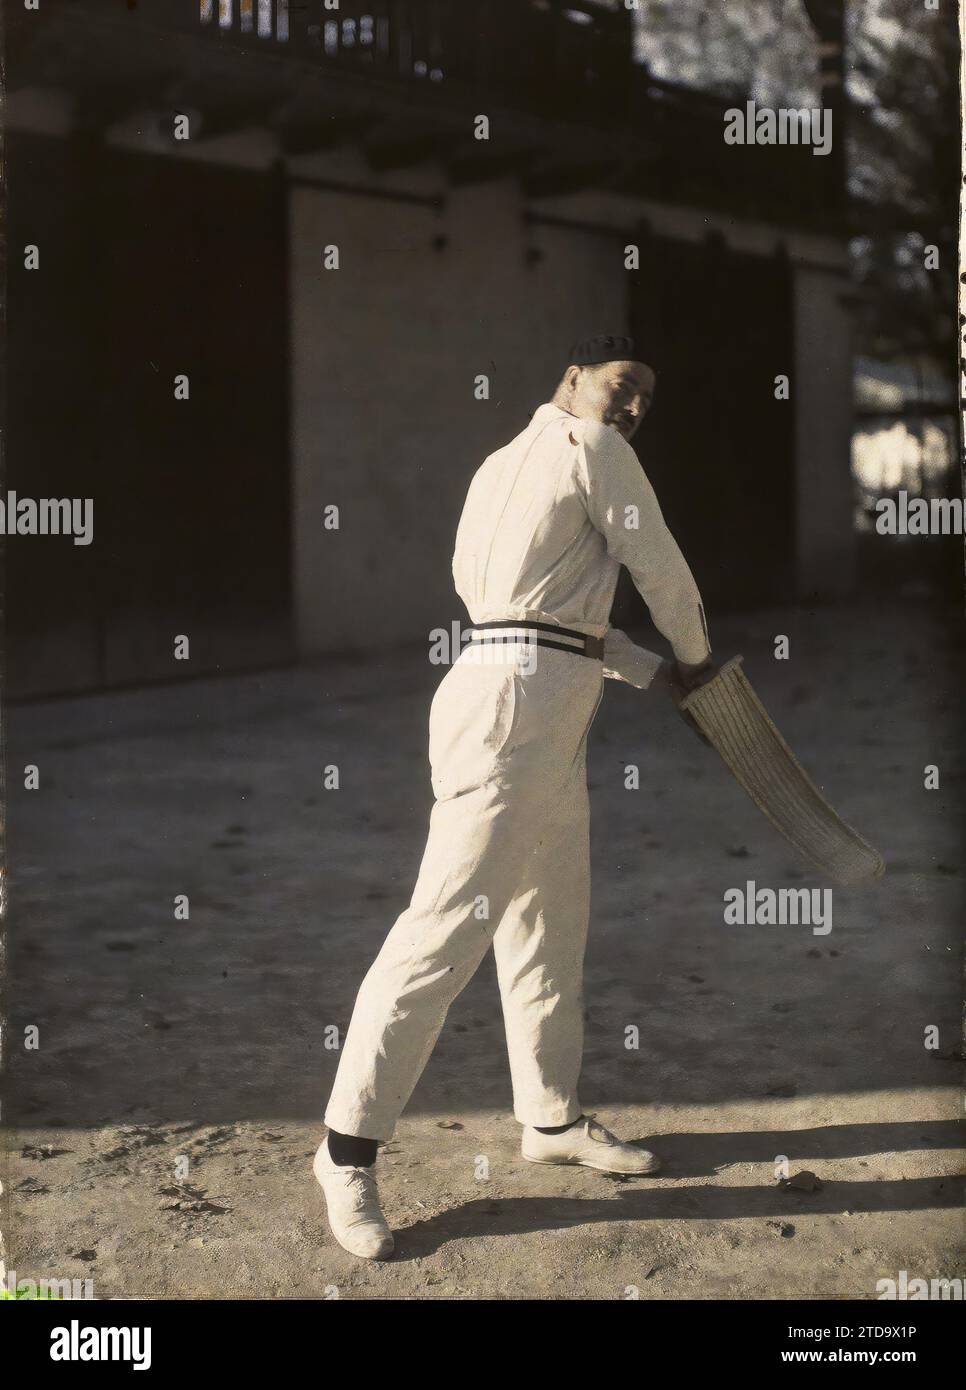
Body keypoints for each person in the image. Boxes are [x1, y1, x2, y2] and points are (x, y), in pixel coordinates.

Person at [315, 334, 716, 1260]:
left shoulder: (497, 467)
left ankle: (549, 1119)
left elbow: (547, 619)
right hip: (513, 711)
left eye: (647, 397)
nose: (634, 407)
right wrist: (699, 665)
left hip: (517, 690)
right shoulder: (595, 450)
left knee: (546, 919)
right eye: (623, 385)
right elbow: (660, 570)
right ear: (572, 381)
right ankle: (344, 1151)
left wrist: (663, 679)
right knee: (443, 929)